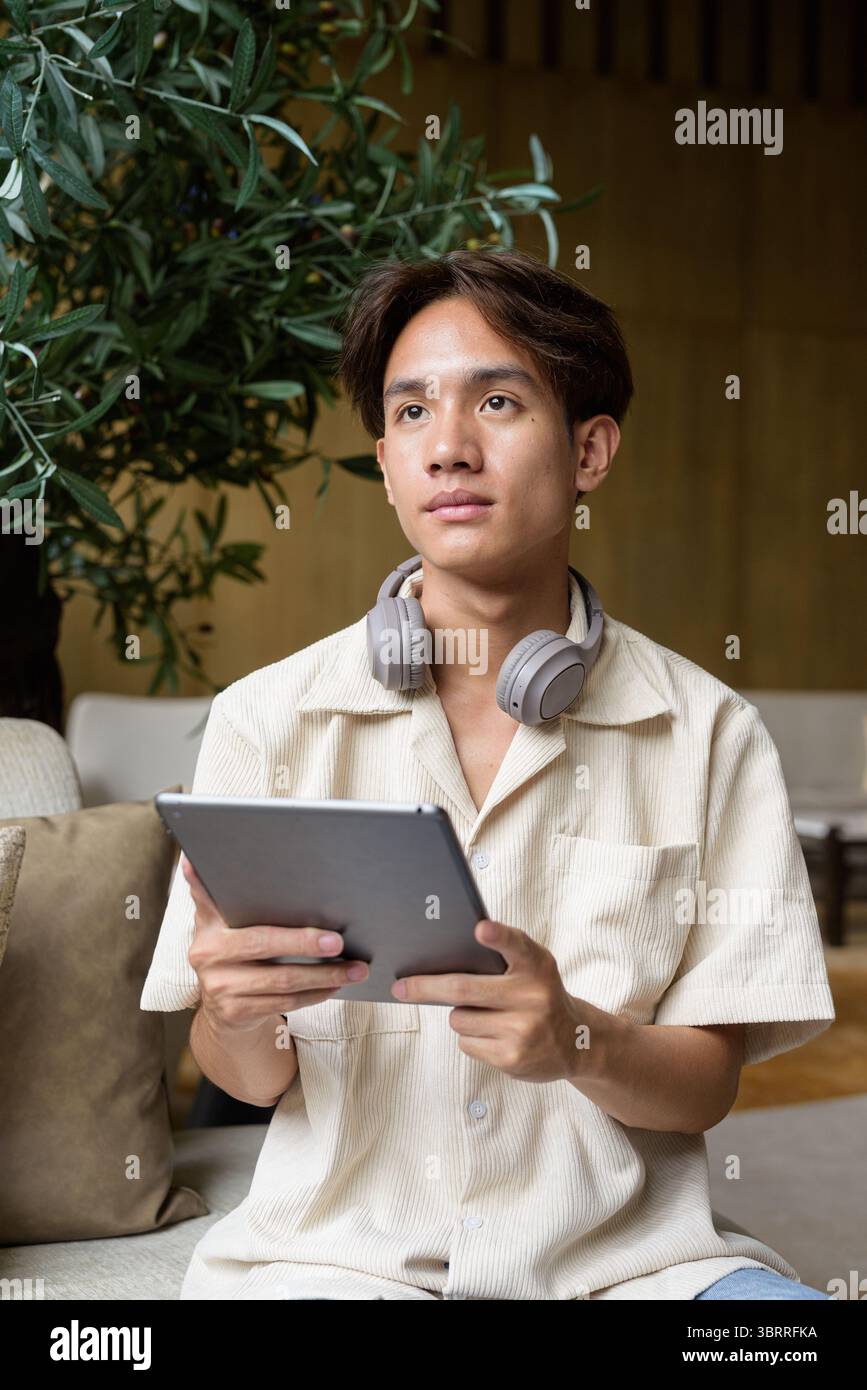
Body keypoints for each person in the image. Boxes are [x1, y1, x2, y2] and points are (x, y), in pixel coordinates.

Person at [141, 248, 835, 1301]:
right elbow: (248, 1078)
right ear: (383, 459)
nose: (447, 449)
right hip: (335, 1265)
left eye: (498, 401)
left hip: (631, 1271)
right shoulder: (267, 718)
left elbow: (703, 1090)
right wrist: (234, 1018)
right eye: (411, 413)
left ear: (591, 449)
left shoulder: (709, 732)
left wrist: (576, 1038)